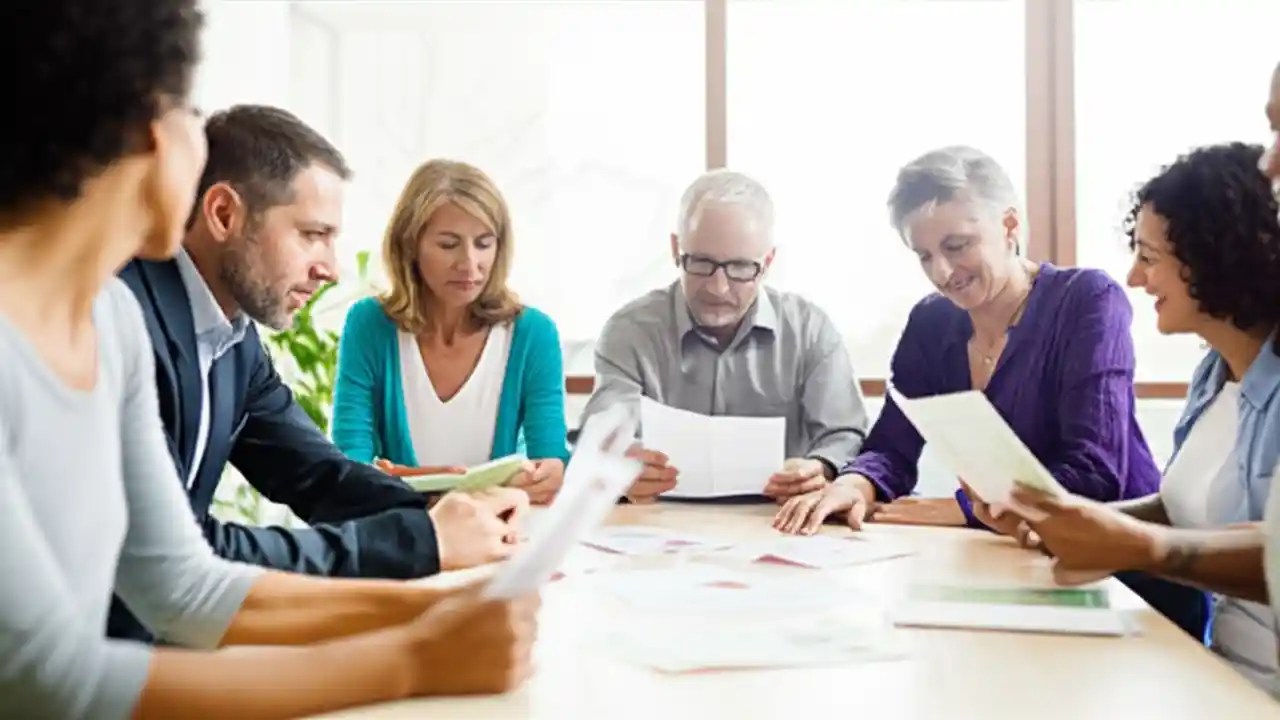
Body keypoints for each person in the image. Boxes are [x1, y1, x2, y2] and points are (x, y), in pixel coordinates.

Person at [0, 2, 536, 717]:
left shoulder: (113, 320)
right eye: (192, 110)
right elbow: (48, 680)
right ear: (142, 129)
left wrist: (438, 612)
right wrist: (413, 657)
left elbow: (182, 587)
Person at [113, 106, 527, 643]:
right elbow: (188, 551)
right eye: (313, 234)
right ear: (223, 214)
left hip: (166, 636)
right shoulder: (127, 319)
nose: (330, 268)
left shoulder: (235, 340)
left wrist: (448, 512)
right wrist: (422, 540)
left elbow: (317, 475)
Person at [773, 146, 1207, 638]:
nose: (941, 272)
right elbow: (892, 445)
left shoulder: (1088, 300)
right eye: (924, 255)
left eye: (957, 246)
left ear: (1008, 224)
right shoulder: (932, 322)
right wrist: (857, 484)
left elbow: (1096, 473)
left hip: (1130, 583)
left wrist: (963, 510)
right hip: (1027, 573)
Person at [1006, 141, 1280, 691]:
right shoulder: (1214, 374)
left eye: (1149, 256)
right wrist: (1075, 517)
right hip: (1222, 672)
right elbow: (1183, 506)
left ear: (1215, 257)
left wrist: (1134, 546)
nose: (1133, 277)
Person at [578, 169, 869, 503]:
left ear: (767, 261)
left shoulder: (810, 331)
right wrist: (619, 463)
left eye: (741, 268)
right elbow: (602, 435)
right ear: (676, 249)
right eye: (701, 262)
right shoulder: (629, 331)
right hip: (656, 521)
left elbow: (845, 434)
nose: (718, 288)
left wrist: (821, 467)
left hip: (777, 523)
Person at [332, 159, 568, 504]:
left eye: (484, 244)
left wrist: (549, 474)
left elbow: (549, 458)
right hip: (397, 538)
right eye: (448, 244)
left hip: (497, 536)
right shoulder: (369, 325)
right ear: (411, 245)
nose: (469, 264)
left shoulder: (534, 334)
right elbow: (349, 465)